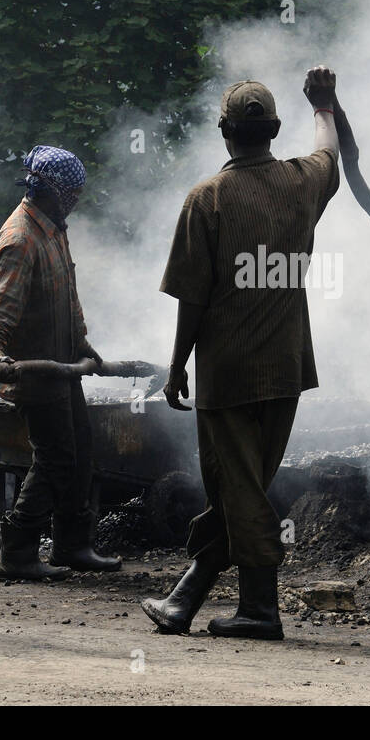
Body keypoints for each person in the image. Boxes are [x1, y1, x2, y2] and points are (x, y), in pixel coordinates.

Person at [141, 67, 342, 640]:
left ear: (223, 131)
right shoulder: (304, 182)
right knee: (243, 487)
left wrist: (178, 363)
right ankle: (185, 600)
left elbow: (192, 298)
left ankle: (259, 610)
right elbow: (330, 151)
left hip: (228, 377)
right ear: (275, 129)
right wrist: (324, 104)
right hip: (285, 369)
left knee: (240, 490)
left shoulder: (207, 200)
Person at [0, 145, 121, 580]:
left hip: (62, 366)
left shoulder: (53, 228)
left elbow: (67, 293)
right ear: (51, 191)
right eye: (72, 193)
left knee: (80, 450)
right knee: (55, 457)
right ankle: (18, 552)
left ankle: (72, 545)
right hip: (33, 371)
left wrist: (81, 344)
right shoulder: (20, 239)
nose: (75, 200)